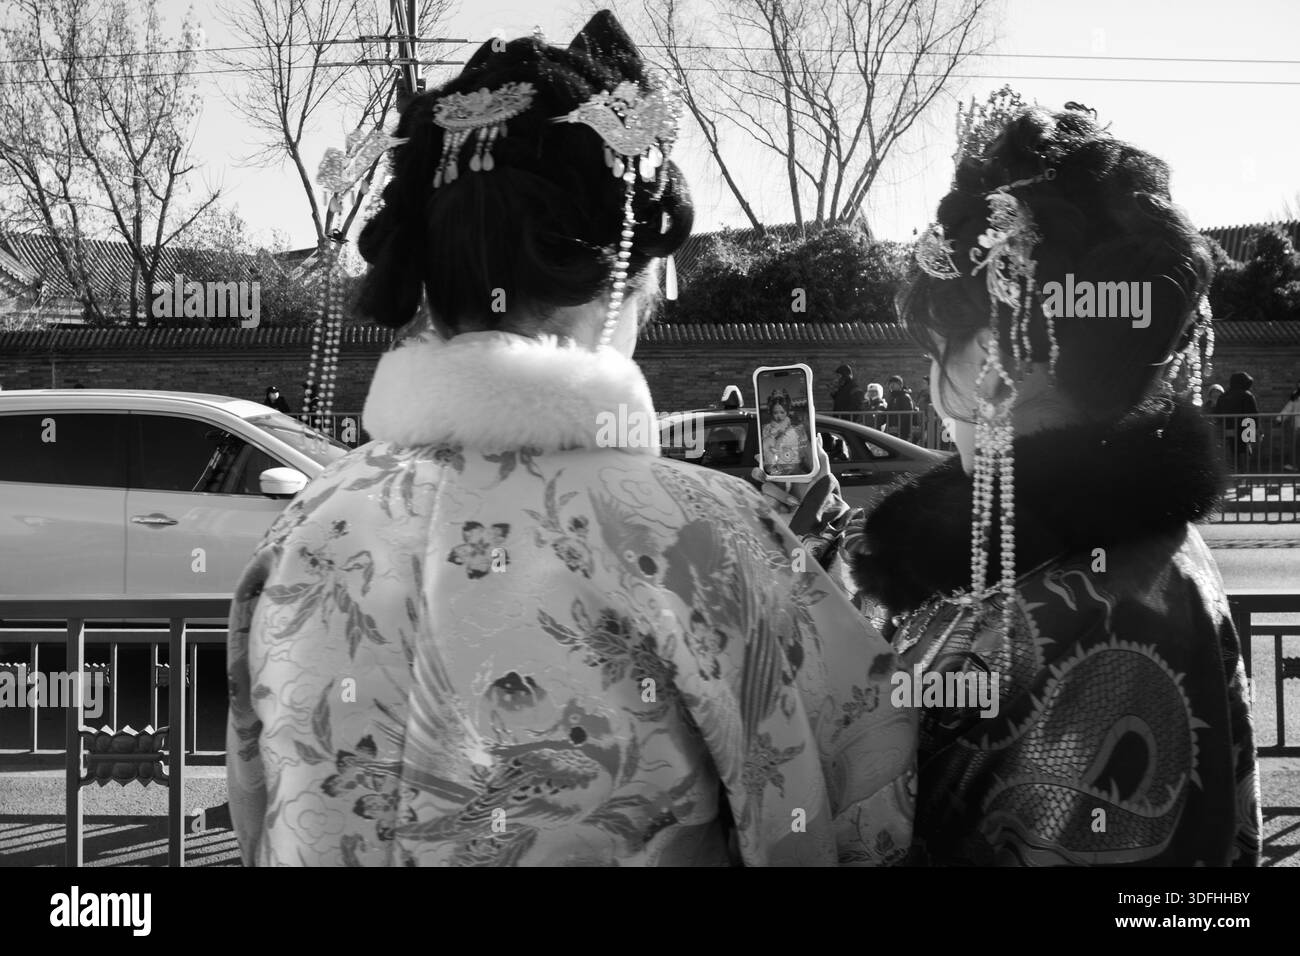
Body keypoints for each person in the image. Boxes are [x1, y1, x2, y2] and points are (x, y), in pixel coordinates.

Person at [225, 11, 914, 868]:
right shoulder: (705, 535)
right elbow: (859, 811)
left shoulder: (304, 531)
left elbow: (257, 814)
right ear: (627, 273)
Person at [831, 103, 1258, 865]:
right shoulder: (1123, 554)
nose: (931, 386)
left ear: (1004, 358)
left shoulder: (1079, 605)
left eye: (940, 353)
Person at [1216, 371, 1258, 472]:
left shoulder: (1223, 396)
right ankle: (1243, 477)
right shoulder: (1247, 395)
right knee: (1245, 454)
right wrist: (1255, 430)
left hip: (1227, 428)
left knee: (1230, 454)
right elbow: (1253, 414)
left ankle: (1233, 475)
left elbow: (1218, 413)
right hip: (1246, 428)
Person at [760, 395, 810, 476]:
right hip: (774, 473)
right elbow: (766, 452)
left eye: (782, 412)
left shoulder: (797, 430)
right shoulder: (766, 429)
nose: (779, 416)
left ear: (787, 412)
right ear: (772, 413)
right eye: (775, 412)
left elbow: (805, 455)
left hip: (795, 474)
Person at [1276, 381, 1300, 471]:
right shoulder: (1296, 395)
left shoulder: (1296, 395)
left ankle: (1294, 465)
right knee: (1295, 446)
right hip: (1297, 425)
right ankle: (1294, 465)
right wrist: (1280, 419)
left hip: (1297, 424)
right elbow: (1288, 408)